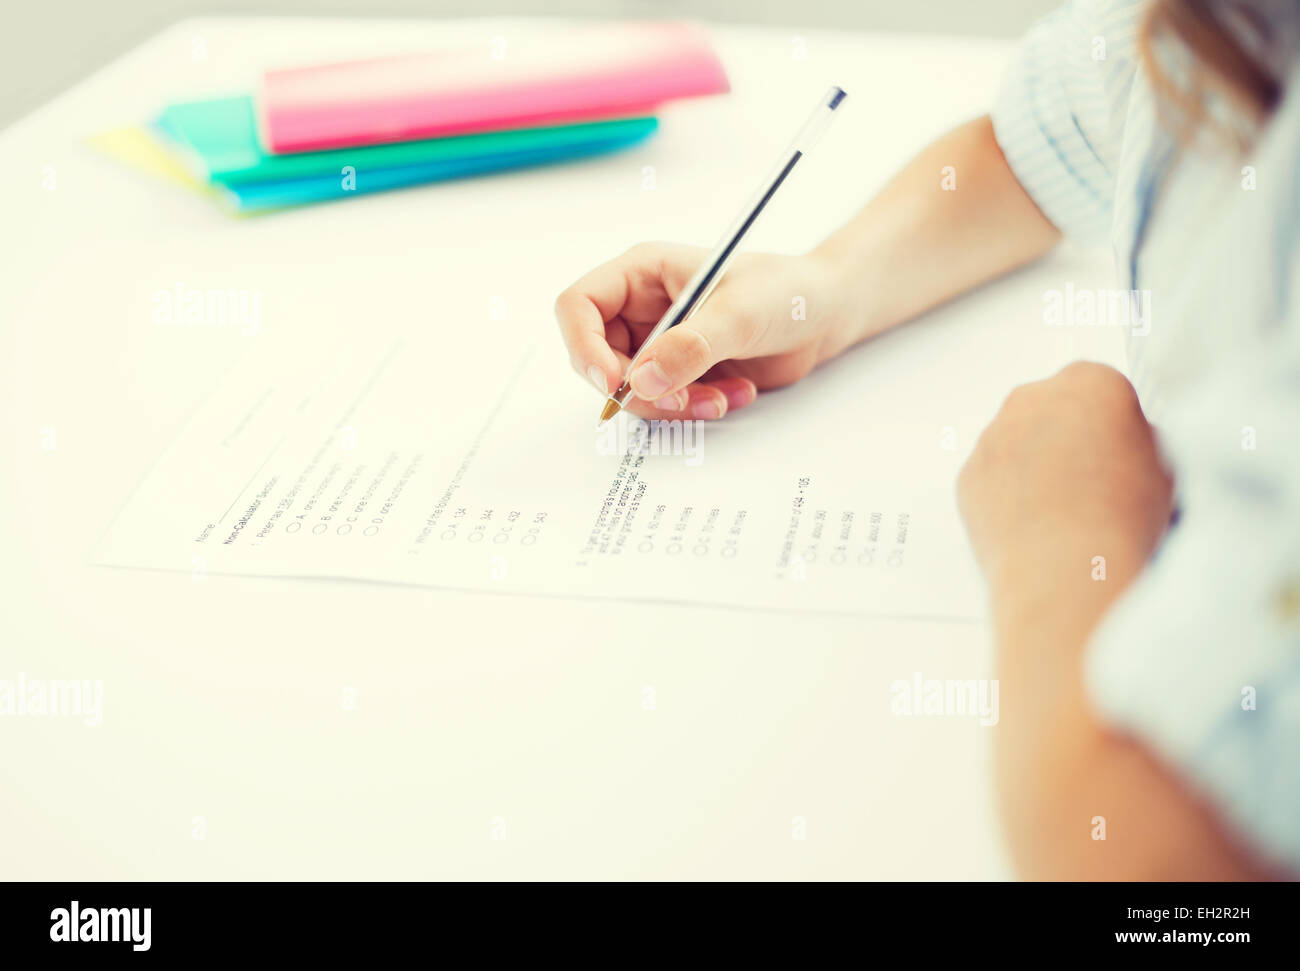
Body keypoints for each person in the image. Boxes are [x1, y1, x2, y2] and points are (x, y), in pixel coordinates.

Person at [554, 0, 1300, 879]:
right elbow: (1027, 157)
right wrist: (829, 290)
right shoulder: (1201, 24)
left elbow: (1170, 893)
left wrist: (1064, 537)